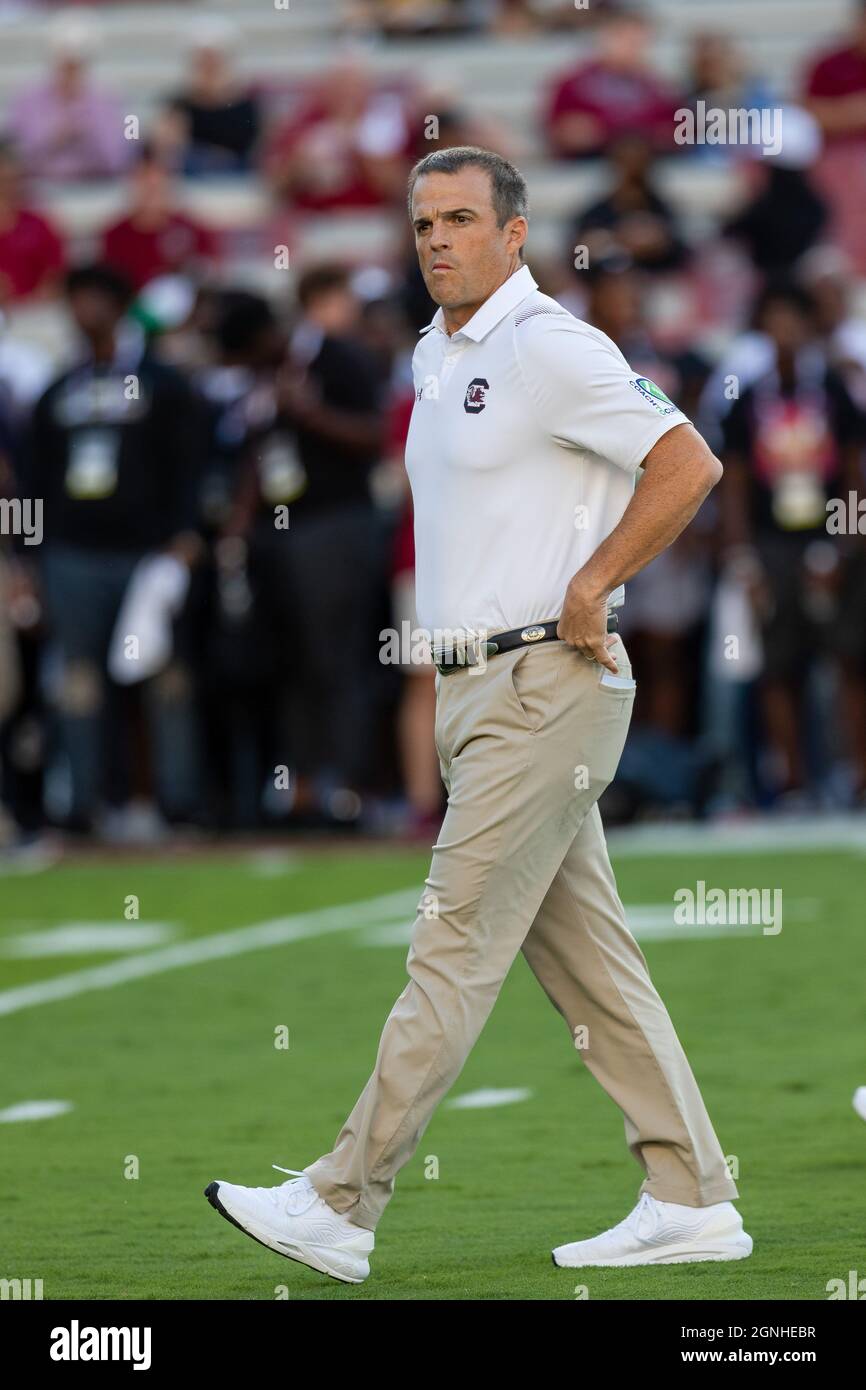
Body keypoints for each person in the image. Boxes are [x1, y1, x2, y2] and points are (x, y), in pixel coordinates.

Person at [206, 146, 751, 1282]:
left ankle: (338, 1200)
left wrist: (594, 581)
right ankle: (689, 1194)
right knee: (595, 970)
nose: (437, 240)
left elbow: (686, 462)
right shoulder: (432, 350)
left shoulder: (548, 343)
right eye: (422, 224)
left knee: (449, 947)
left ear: (513, 233)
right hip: (471, 687)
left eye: (460, 219)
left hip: (542, 683)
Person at [24, 264, 206, 833]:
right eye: (76, 300)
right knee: (77, 680)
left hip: (148, 553)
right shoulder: (57, 388)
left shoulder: (162, 383)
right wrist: (28, 558)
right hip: (73, 555)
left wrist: (186, 536)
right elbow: (30, 482)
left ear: (121, 305)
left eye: (96, 298)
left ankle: (177, 803)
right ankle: (84, 805)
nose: (85, 312)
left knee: (165, 676)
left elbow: (192, 463)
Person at [719, 280, 865, 804]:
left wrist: (843, 541)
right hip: (772, 543)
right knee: (779, 664)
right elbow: (732, 481)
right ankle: (795, 780)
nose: (783, 332)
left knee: (849, 657)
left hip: (828, 537)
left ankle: (857, 777)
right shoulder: (748, 397)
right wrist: (741, 558)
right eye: (773, 322)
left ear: (806, 327)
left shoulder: (830, 388)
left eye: (791, 321)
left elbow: (854, 471)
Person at [543, 4, 682, 160]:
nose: (633, 49)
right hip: (592, 162)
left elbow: (674, 131)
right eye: (626, 40)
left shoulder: (656, 86)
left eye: (639, 42)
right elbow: (561, 131)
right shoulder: (574, 84)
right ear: (606, 38)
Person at [7, 12, 131, 182]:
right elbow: (15, 159)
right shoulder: (28, 100)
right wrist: (53, 139)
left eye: (76, 65)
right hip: (39, 193)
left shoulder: (107, 100)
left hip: (95, 189)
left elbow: (119, 159)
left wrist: (88, 136)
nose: (70, 73)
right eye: (66, 64)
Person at [101, 148, 219, 292]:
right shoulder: (115, 235)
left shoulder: (192, 230)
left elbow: (210, 276)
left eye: (156, 185)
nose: (151, 192)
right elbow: (108, 286)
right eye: (144, 183)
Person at [156, 17, 261, 176]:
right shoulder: (177, 107)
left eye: (213, 61)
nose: (208, 68)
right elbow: (165, 154)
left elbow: (259, 154)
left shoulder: (249, 107)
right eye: (202, 61)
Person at [0, 141, 65, 306]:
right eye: (4, 180)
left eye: (14, 180)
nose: (10, 187)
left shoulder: (38, 225)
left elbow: (56, 275)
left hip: (34, 313)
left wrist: (36, 300)